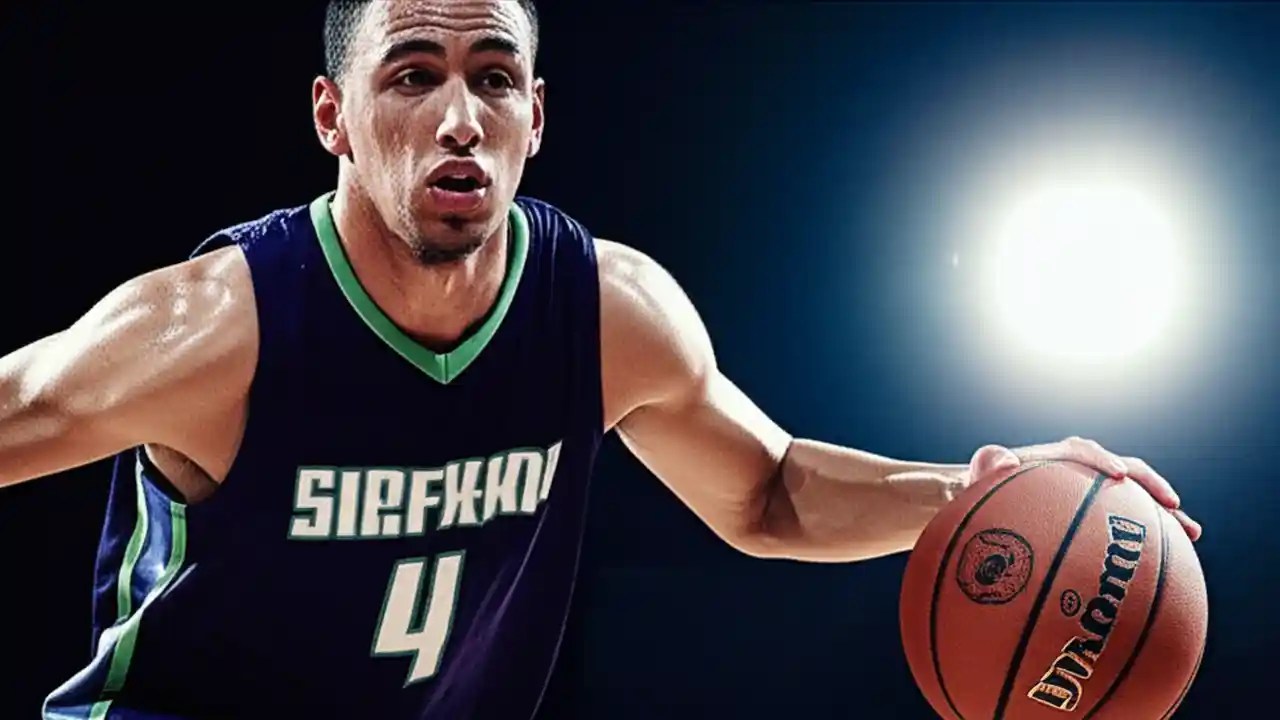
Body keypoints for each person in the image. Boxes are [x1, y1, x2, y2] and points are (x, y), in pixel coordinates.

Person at [1, 1, 1199, 718]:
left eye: (492, 79)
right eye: (412, 76)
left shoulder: (604, 310)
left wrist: (987, 500)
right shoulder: (218, 327)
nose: (458, 116)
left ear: (536, 115)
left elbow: (768, 490)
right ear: (332, 118)